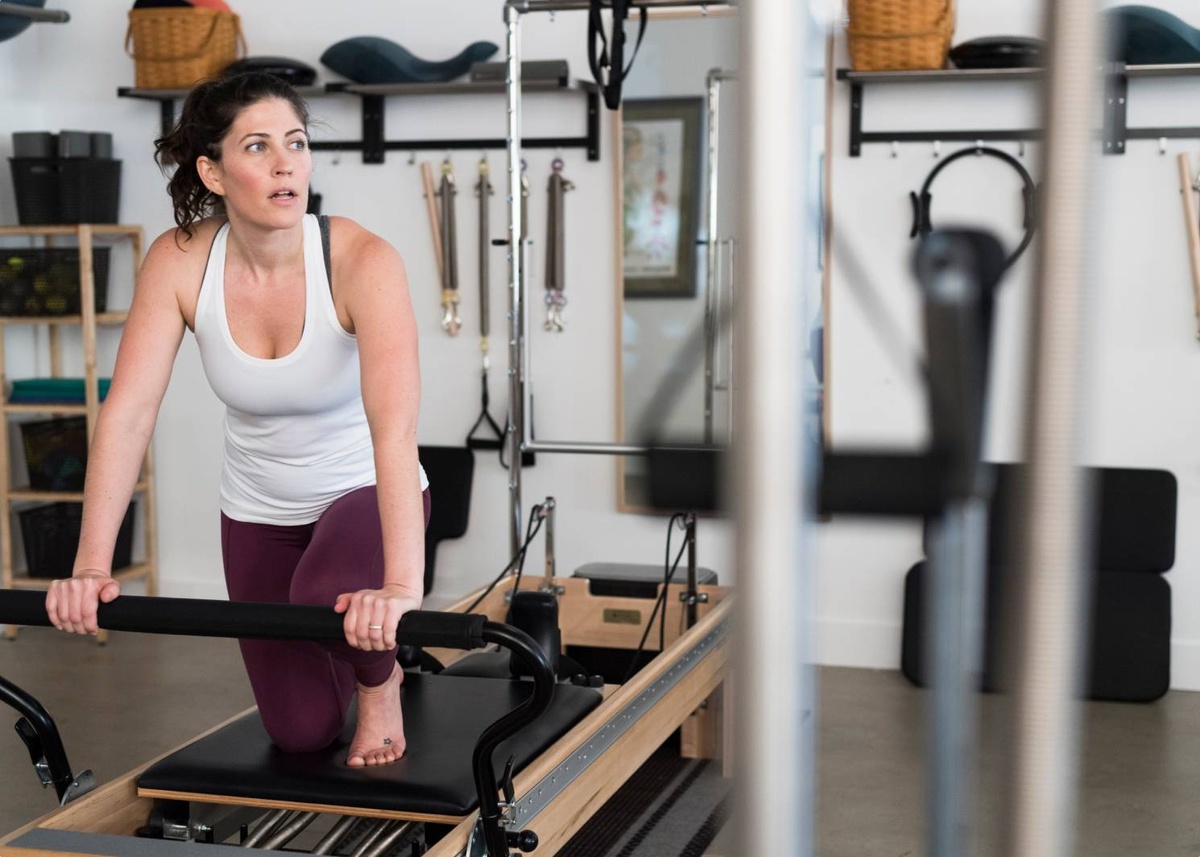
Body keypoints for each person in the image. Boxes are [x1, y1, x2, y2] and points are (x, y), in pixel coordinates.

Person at [44, 71, 428, 768]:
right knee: (302, 732)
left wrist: (401, 586)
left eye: (297, 143)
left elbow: (394, 430)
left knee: (325, 594)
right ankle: (356, 643)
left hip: (361, 492)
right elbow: (128, 413)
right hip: (257, 509)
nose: (286, 164)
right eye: (258, 146)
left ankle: (384, 678)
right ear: (212, 172)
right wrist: (89, 564)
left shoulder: (362, 260)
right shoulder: (181, 261)